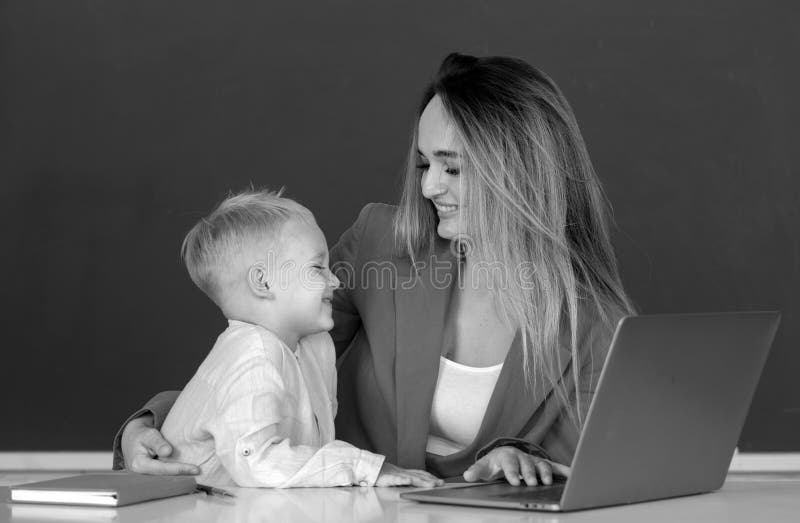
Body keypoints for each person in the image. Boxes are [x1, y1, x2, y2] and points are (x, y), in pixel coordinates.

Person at [114, 53, 634, 487]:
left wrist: (522, 459)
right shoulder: (379, 246)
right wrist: (150, 424)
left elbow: (590, 472)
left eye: (452, 168)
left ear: (520, 170)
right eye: (423, 165)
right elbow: (256, 358)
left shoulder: (590, 320)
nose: (429, 188)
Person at [153, 189, 441, 488]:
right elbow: (258, 462)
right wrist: (363, 467)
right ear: (263, 282)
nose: (336, 280)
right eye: (318, 268)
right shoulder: (253, 356)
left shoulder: (310, 346)